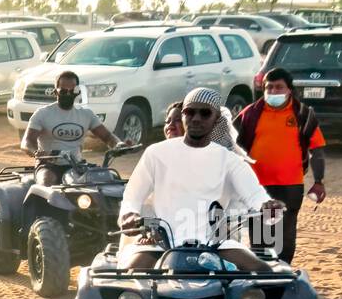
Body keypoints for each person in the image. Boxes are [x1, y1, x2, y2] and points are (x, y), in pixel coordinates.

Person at [118, 88, 282, 271]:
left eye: (205, 113)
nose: (196, 118)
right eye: (190, 112)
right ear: (183, 114)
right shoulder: (156, 153)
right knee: (126, 279)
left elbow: (256, 196)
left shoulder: (229, 160)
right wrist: (129, 214)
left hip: (216, 245)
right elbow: (132, 197)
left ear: (216, 120)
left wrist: (268, 206)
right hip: (161, 243)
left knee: (265, 275)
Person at [232, 68, 325, 266]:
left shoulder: (303, 115)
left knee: (285, 236)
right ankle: (261, 275)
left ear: (289, 89)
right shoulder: (250, 114)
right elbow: (230, 146)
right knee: (259, 238)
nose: (273, 92)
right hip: (256, 187)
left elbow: (317, 151)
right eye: (269, 87)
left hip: (290, 186)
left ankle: (283, 272)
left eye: (279, 87)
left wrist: (318, 181)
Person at [21, 70, 122, 184]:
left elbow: (108, 136)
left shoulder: (86, 114)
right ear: (55, 92)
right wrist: (37, 152)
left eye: (72, 91)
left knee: (110, 179)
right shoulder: (43, 114)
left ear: (77, 92)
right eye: (63, 91)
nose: (68, 94)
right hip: (48, 165)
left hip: (76, 166)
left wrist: (119, 145)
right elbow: (27, 142)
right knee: (47, 181)